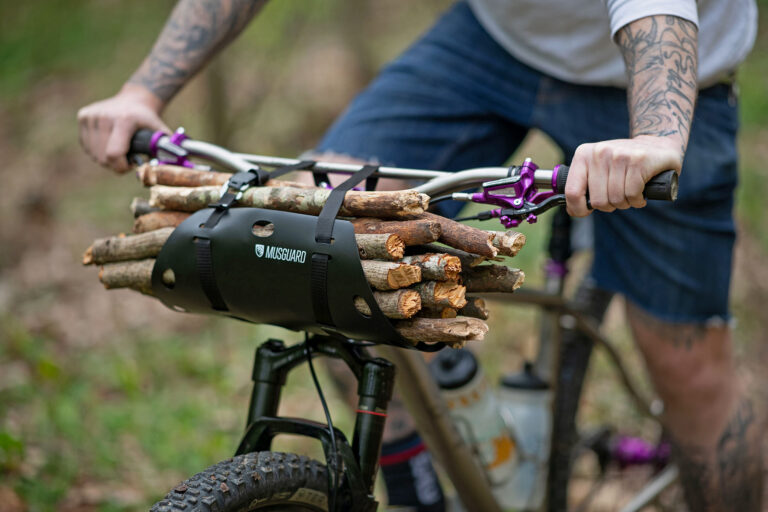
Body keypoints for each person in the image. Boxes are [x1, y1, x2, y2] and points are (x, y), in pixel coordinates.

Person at [77, 1, 762, 510]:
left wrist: (658, 136)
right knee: (324, 254)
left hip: (666, 62)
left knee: (690, 370)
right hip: (497, 39)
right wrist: (144, 90)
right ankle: (425, 492)